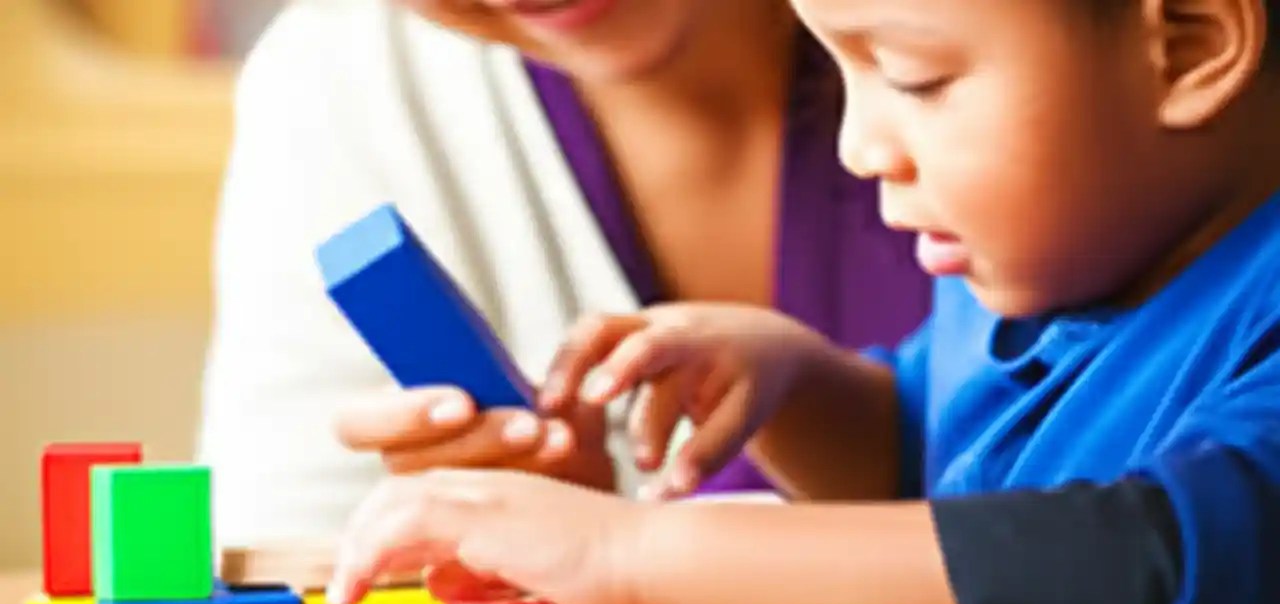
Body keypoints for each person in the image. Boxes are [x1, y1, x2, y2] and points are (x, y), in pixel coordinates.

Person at [326, 0, 1280, 604]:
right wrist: (797, 389)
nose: (862, 145)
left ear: (1190, 45)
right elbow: (932, 473)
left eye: (914, 78)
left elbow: (1154, 558)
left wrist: (632, 554)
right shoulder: (1045, 269)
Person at [197, 0, 931, 544]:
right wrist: (481, 553)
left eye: (926, 80)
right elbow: (282, 576)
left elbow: (1026, 540)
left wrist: (624, 556)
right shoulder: (344, 91)